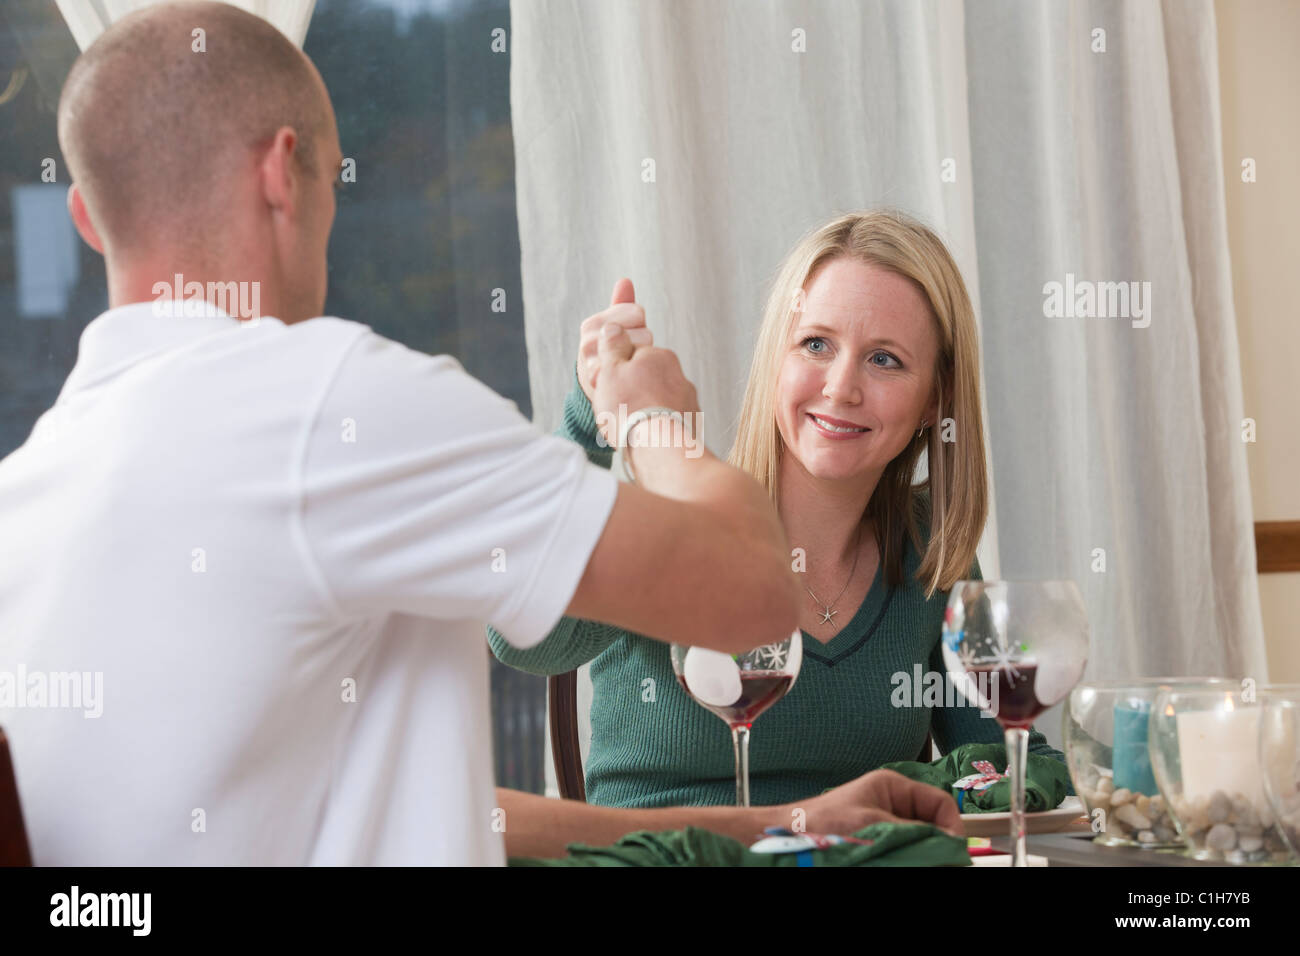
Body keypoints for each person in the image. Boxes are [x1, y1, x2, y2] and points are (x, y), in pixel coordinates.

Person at [0, 2, 960, 866]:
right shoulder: (343, 404)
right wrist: (645, 417)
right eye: (334, 179)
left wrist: (770, 828)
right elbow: (754, 591)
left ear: (87, 218)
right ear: (280, 176)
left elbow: (478, 815)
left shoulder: (27, 490)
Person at [490, 210, 1065, 811]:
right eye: (815, 344)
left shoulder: (931, 556)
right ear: (776, 361)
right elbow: (521, 639)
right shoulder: (673, 512)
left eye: (885, 359)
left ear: (935, 400)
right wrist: (592, 414)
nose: (841, 387)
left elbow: (1004, 759)